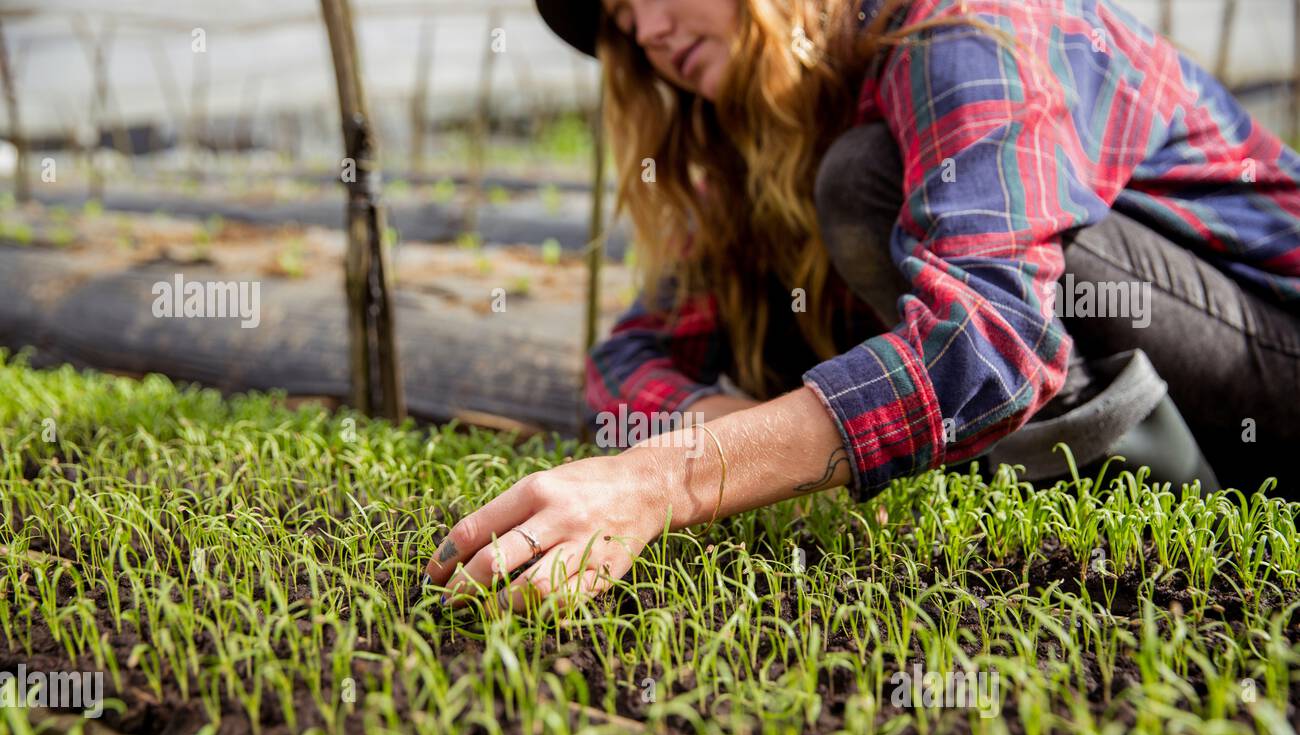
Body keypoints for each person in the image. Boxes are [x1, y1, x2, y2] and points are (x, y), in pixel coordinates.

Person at [425, 0, 1300, 609]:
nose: (648, 30)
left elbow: (991, 341)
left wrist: (666, 477)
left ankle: (1142, 514)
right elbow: (628, 358)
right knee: (821, 206)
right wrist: (729, 425)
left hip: (1274, 350)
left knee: (860, 183)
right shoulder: (754, 131)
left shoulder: (960, 24)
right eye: (621, 19)